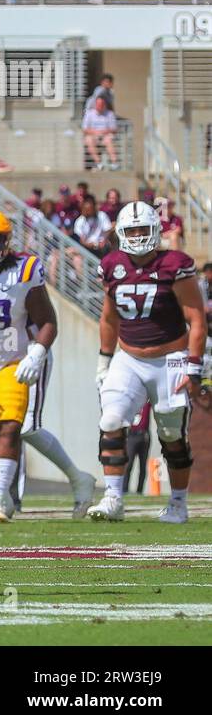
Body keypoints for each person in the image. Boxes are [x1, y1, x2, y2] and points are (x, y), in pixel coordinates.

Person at [0, 210, 95, 522]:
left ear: (8, 240)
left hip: (17, 360)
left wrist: (37, 353)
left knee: (15, 427)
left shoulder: (24, 270)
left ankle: (0, 500)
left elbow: (47, 320)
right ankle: (14, 494)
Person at [90, 201, 205, 523]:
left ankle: (179, 504)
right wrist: (104, 360)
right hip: (129, 357)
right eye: (132, 231)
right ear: (121, 234)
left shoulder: (174, 264)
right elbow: (108, 318)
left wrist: (195, 367)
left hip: (171, 358)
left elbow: (196, 319)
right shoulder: (112, 264)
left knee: (171, 435)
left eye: (144, 230)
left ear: (156, 231)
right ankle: (113, 498)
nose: (138, 236)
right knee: (111, 421)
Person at [81, 96, 120, 170]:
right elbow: (85, 129)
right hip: (93, 136)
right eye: (98, 104)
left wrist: (104, 131)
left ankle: (114, 163)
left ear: (104, 104)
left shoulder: (110, 114)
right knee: (88, 139)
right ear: (95, 104)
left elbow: (114, 128)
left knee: (109, 140)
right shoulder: (89, 114)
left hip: (106, 136)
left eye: (101, 104)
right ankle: (99, 163)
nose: (100, 106)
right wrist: (96, 132)